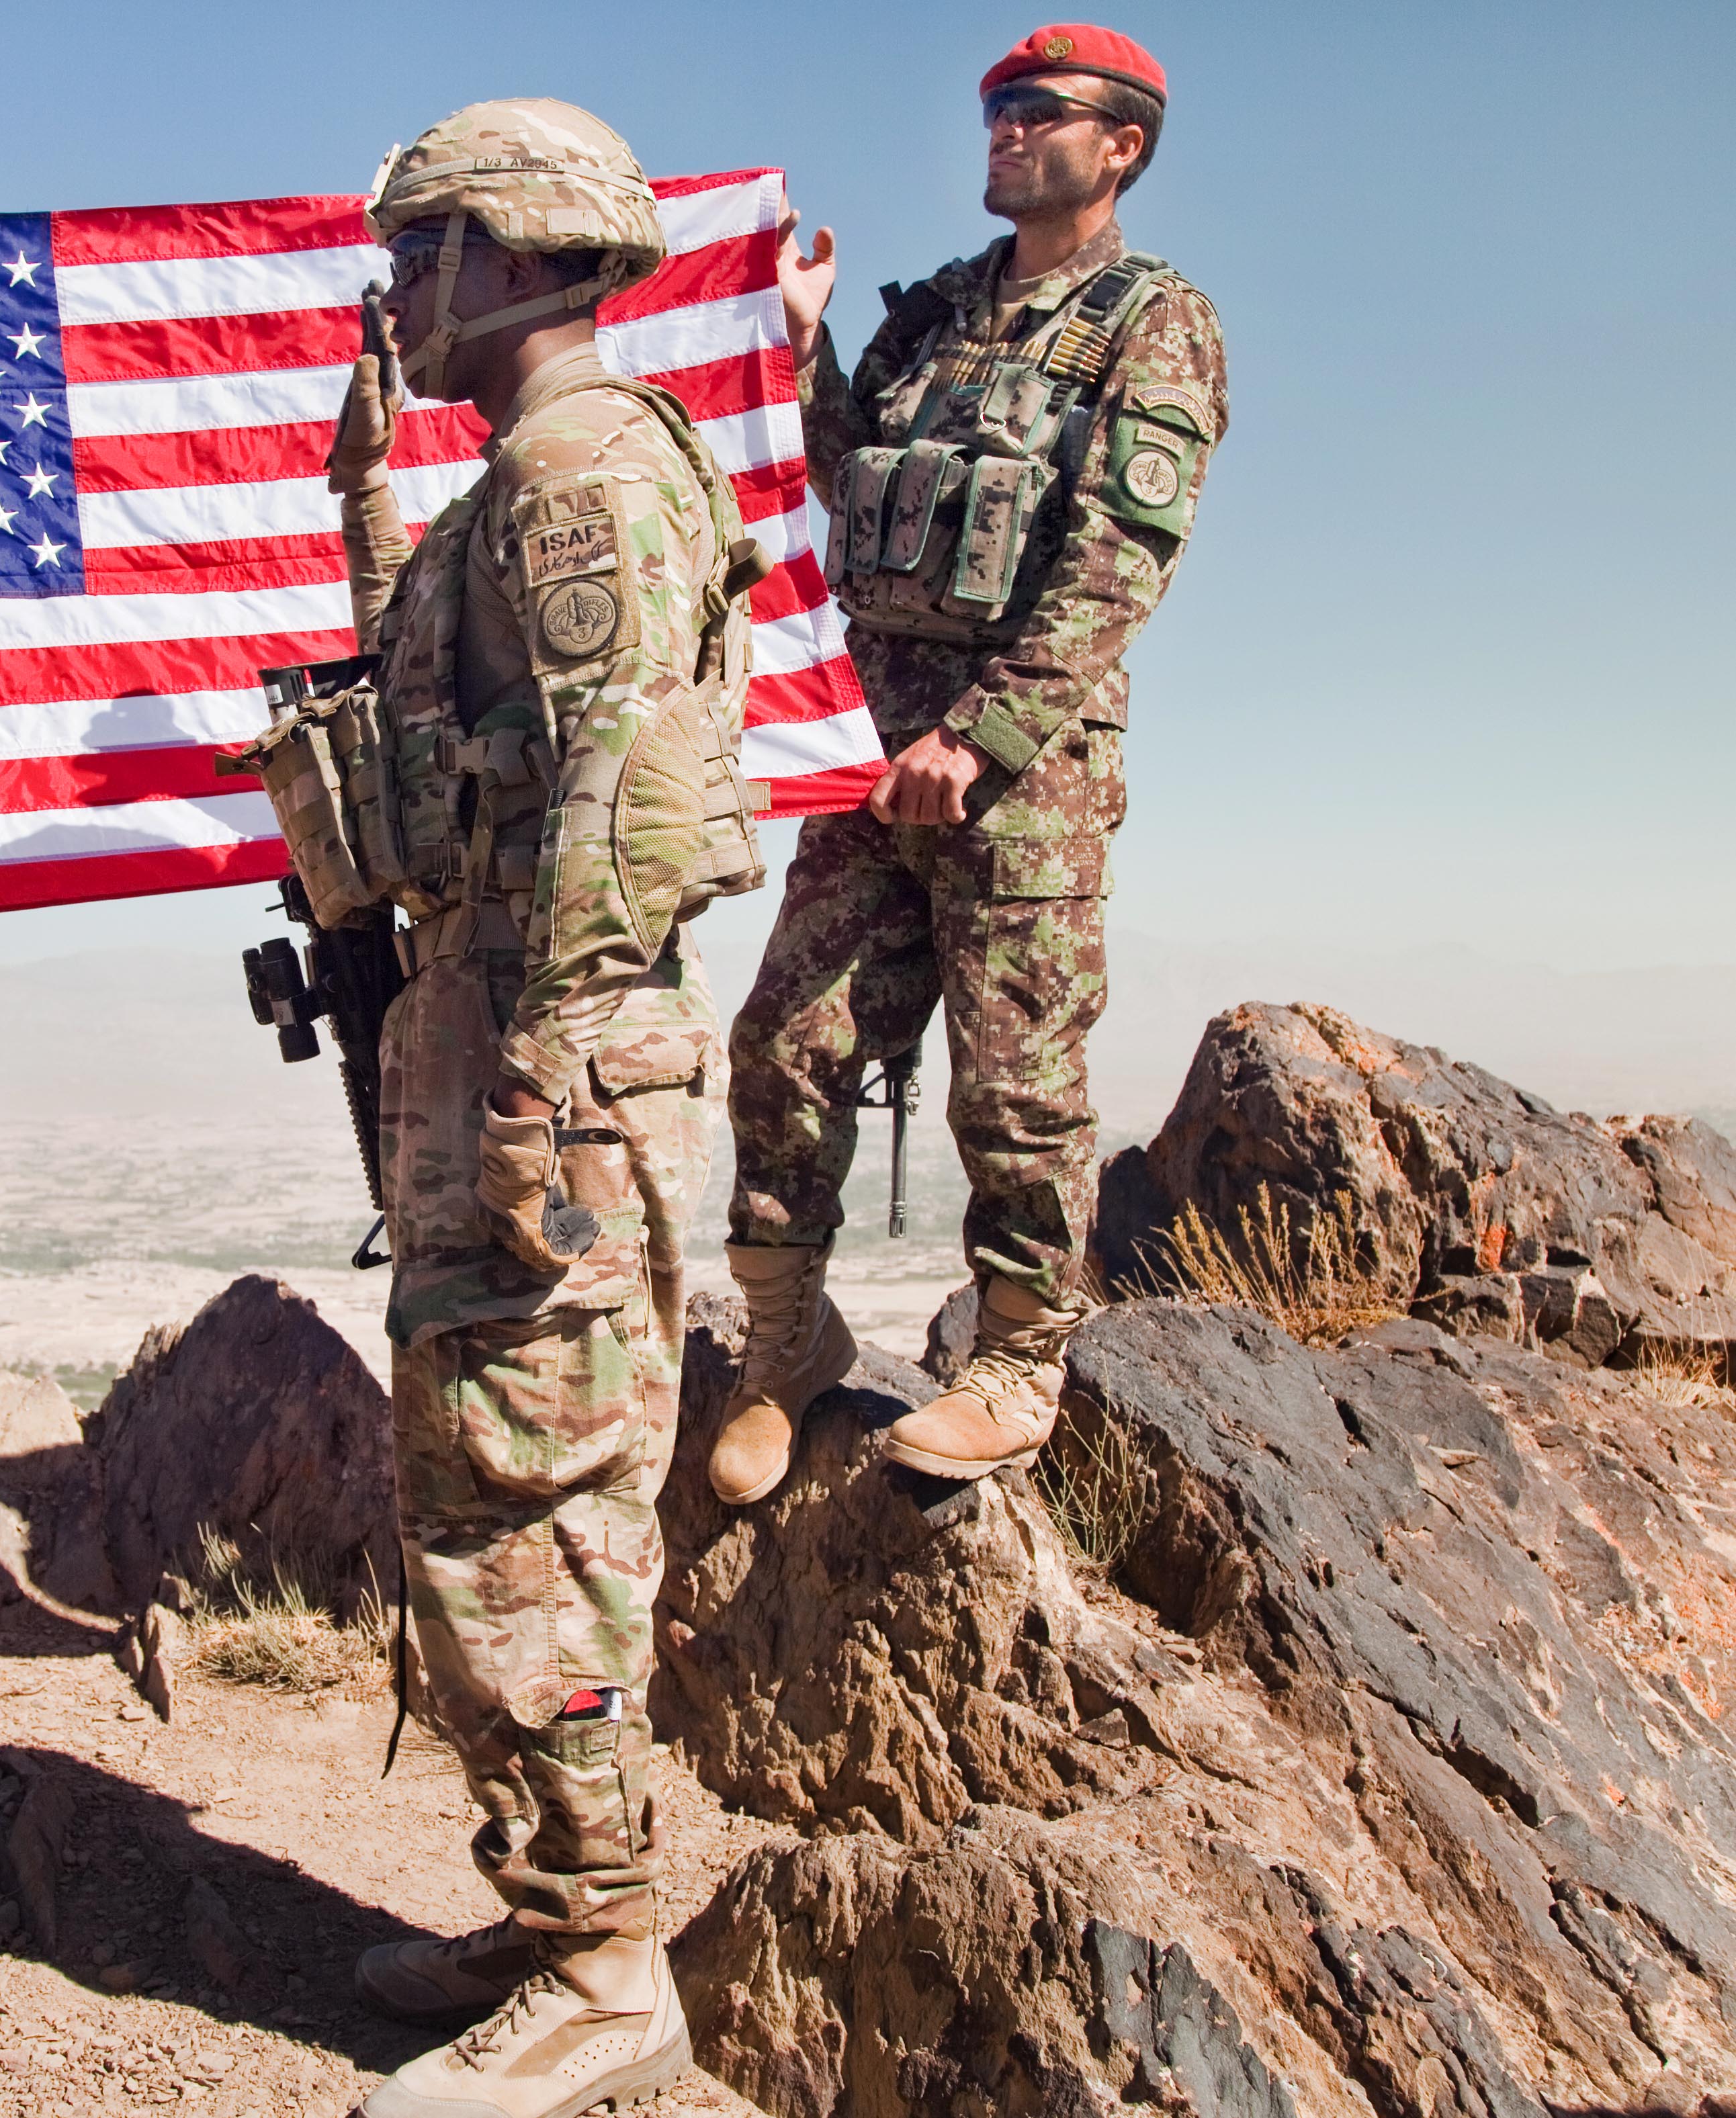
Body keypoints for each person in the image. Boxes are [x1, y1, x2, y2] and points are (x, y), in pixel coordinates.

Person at [310, 97, 762, 2118]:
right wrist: (368, 518)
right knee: (478, 1497)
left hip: (547, 1065)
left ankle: (604, 1971)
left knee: (540, 1519)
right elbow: (475, 746)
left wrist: (537, 1071)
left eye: (419, 259)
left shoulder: (581, 474)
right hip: (498, 1039)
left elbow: (619, 794)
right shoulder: (513, 484)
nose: (396, 295)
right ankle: (552, 1893)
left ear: (517, 255)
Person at [714, 23, 1229, 1501]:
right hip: (869, 761)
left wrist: (978, 734)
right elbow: (839, 479)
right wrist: (800, 339)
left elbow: (1120, 558)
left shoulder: (1152, 321)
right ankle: (782, 1345)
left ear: (1119, 144)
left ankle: (1016, 1356)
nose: (1001, 128)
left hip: (1022, 778)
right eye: (993, 106)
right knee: (787, 1043)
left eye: (1035, 109)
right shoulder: (930, 314)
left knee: (1013, 1083)